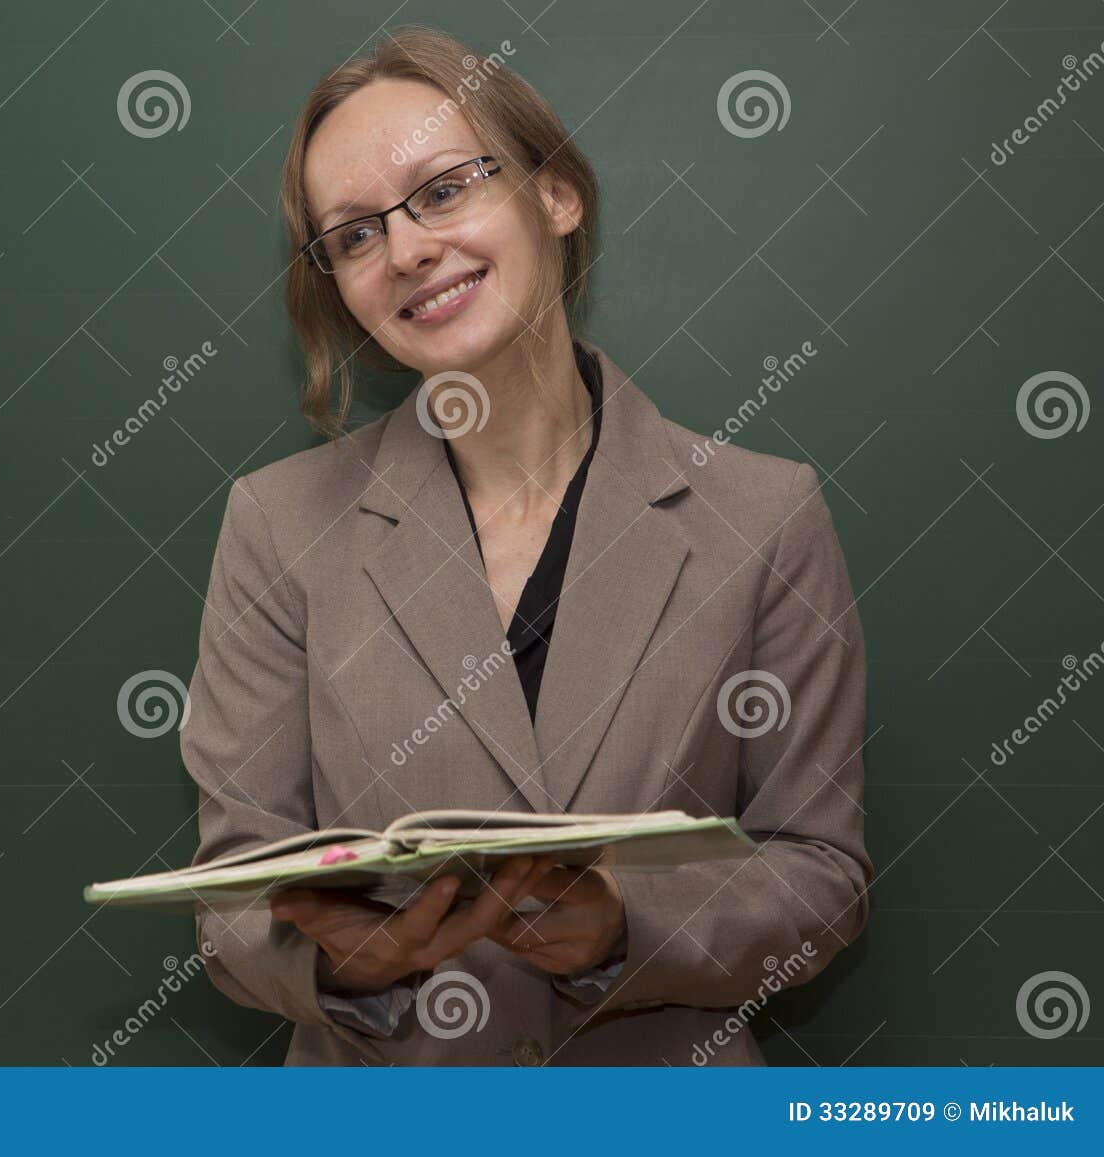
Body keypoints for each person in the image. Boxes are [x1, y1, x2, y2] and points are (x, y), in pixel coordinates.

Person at [178, 25, 871, 1065]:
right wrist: (341, 961)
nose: (406, 248)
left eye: (443, 189)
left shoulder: (763, 515)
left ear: (555, 194)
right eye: (354, 234)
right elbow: (233, 893)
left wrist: (624, 928)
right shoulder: (277, 526)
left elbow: (819, 875)